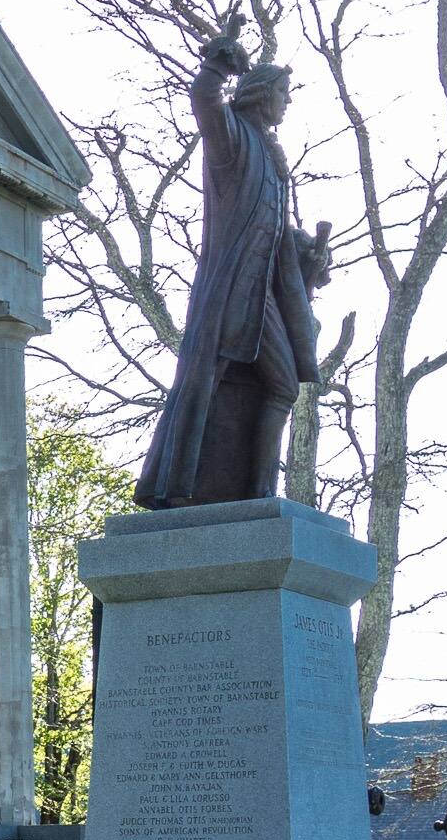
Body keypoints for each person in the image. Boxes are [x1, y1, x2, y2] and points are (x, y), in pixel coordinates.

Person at [136, 31, 332, 508]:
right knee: (204, 386)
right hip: (228, 293)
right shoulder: (233, 140)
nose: (287, 102)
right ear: (261, 94)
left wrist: (306, 256)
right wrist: (218, 64)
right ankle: (175, 487)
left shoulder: (272, 158)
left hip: (263, 297)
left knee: (283, 386)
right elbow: (205, 102)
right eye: (283, 92)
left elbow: (276, 233)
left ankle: (259, 494)